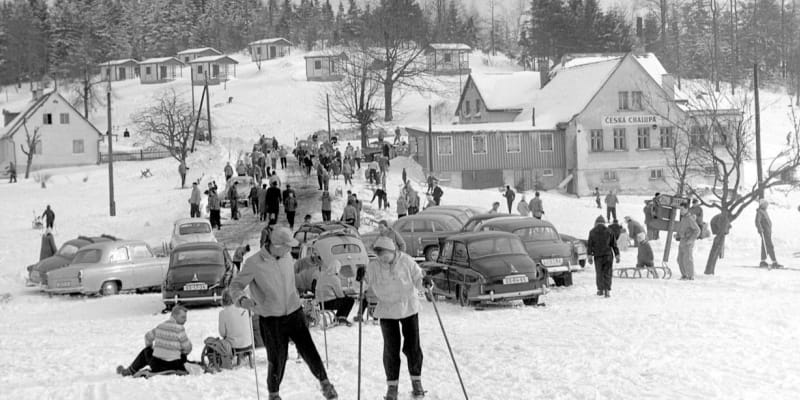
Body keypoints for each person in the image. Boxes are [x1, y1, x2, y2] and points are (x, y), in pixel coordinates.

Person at [230, 228, 339, 400]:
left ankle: (325, 383)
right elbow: (235, 286)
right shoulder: (254, 263)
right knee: (278, 359)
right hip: (271, 319)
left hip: (294, 312)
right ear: (276, 245)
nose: (290, 249)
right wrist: (243, 300)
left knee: (309, 350)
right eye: (288, 246)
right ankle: (274, 394)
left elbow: (294, 267)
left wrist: (310, 261)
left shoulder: (286, 256)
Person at [355, 237, 432, 400]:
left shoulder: (407, 261)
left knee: (413, 347)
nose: (382, 258)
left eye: (385, 254)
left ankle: (416, 381)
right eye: (379, 254)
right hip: (387, 310)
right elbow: (361, 286)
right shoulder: (374, 266)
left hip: (409, 307)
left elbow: (418, 280)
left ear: (392, 251)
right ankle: (392, 386)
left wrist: (425, 283)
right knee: (391, 349)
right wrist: (359, 279)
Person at [116, 306, 192, 377]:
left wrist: (151, 348)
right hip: (175, 365)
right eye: (183, 317)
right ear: (174, 316)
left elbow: (147, 337)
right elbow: (188, 348)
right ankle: (172, 369)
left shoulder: (160, 326)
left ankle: (129, 371)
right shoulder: (180, 329)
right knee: (181, 354)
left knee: (146, 351)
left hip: (157, 365)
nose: (185, 320)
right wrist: (181, 352)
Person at [586, 216, 620, 298]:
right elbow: (614, 245)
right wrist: (617, 255)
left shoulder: (592, 232)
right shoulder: (609, 231)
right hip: (608, 255)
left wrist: (589, 256)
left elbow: (590, 245)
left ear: (596, 223)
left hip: (598, 256)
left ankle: (600, 290)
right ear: (604, 223)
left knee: (599, 273)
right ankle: (607, 291)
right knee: (607, 272)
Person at [316, 260, 355, 325]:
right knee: (349, 300)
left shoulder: (322, 276)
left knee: (344, 300)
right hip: (329, 303)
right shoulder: (334, 278)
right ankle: (341, 318)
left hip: (320, 303)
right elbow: (340, 295)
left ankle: (339, 318)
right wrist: (345, 293)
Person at [675, 203, 700, 280]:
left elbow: (697, 230)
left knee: (687, 259)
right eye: (680, 209)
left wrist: (691, 240)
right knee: (679, 259)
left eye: (682, 209)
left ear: (686, 209)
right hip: (682, 241)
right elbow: (683, 229)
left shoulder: (690, 219)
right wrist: (678, 235)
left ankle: (690, 276)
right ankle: (684, 275)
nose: (681, 211)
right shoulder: (683, 218)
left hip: (688, 242)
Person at [755, 199, 782, 268]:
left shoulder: (764, 212)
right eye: (766, 204)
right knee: (770, 246)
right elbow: (757, 221)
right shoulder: (760, 212)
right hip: (765, 232)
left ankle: (763, 261)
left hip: (768, 232)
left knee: (765, 247)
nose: (767, 206)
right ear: (762, 205)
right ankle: (774, 262)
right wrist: (760, 229)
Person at [705, 211, 732, 275]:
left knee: (719, 245)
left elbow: (729, 225)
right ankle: (720, 255)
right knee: (718, 245)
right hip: (719, 232)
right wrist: (721, 231)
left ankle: (720, 255)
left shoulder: (722, 216)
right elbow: (720, 224)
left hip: (719, 232)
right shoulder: (722, 217)